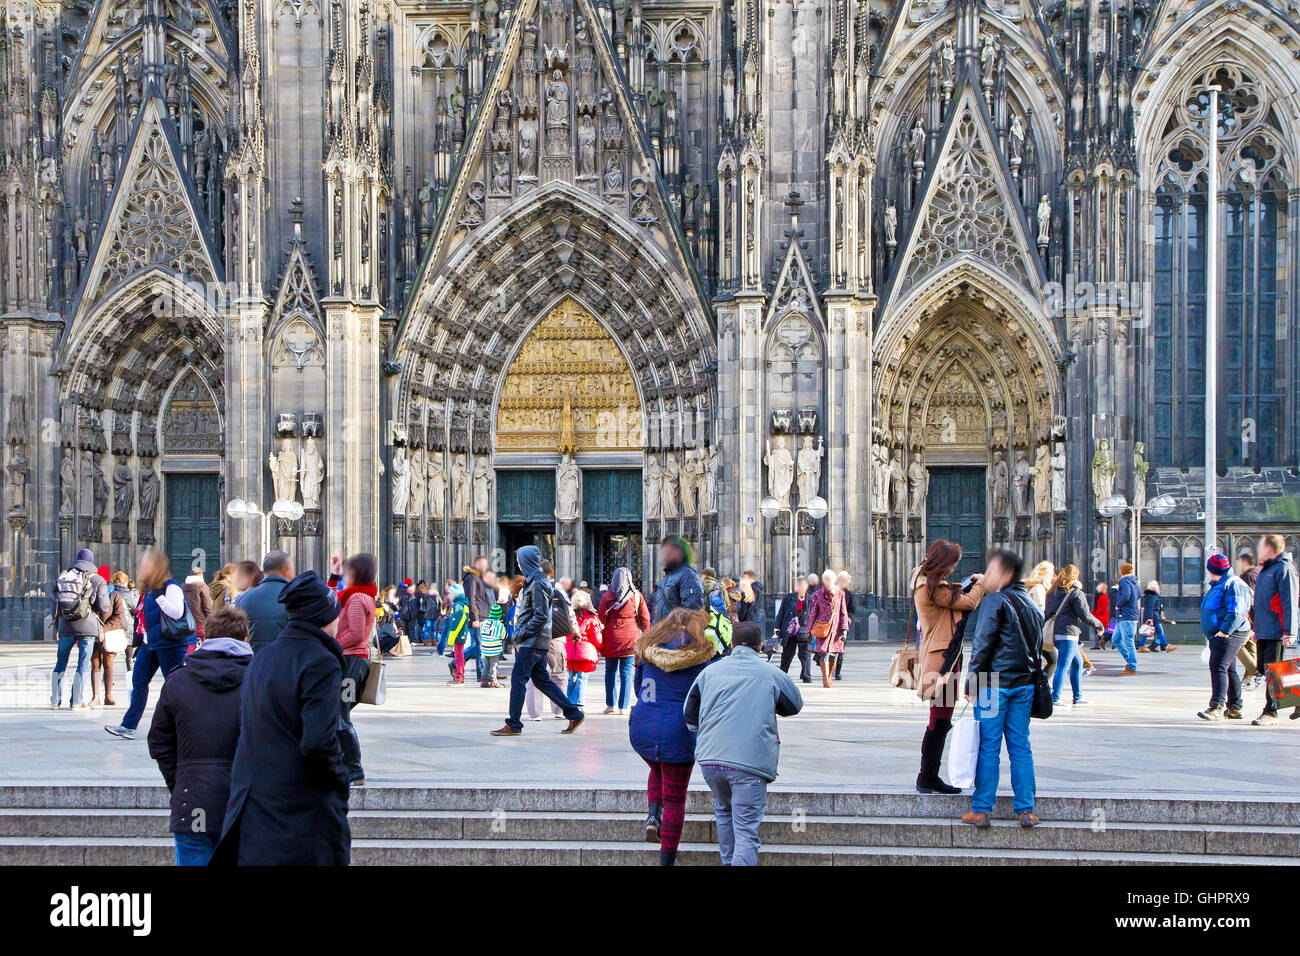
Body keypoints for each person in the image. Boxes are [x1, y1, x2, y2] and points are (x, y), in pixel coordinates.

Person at [212, 571, 350, 866]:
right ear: (323, 616)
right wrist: (341, 780)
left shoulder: (262, 657)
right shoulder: (320, 662)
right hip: (298, 811)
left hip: (255, 807)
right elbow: (317, 742)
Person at [686, 621, 802, 866]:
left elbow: (689, 712)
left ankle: (728, 861)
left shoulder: (709, 672)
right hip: (749, 764)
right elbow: (794, 705)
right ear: (760, 647)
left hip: (711, 761)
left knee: (725, 813)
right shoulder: (771, 674)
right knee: (746, 829)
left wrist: (705, 738)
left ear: (731, 644)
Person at [146, 605, 252, 865]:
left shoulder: (177, 681)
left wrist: (181, 780)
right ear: (246, 639)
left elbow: (159, 743)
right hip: (246, 805)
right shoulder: (260, 680)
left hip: (193, 800)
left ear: (205, 638)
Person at [961, 549, 1043, 829]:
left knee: (989, 748)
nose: (988, 575)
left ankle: (982, 809)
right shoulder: (1032, 605)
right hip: (1024, 686)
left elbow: (982, 645)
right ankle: (1026, 810)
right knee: (1021, 748)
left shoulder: (995, 600)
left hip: (994, 686)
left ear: (1007, 574)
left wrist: (971, 682)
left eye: (994, 570)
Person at [628, 607, 717, 865]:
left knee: (657, 769)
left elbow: (637, 688)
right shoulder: (701, 656)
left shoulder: (648, 651)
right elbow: (704, 699)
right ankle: (667, 857)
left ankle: (654, 816)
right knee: (676, 799)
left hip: (642, 728)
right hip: (678, 733)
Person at [912, 540, 986, 794]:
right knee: (940, 719)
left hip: (942, 655)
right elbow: (968, 603)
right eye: (953, 562)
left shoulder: (924, 580)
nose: (954, 568)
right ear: (944, 562)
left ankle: (928, 776)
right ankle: (927, 776)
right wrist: (982, 583)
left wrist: (968, 582)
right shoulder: (934, 587)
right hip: (943, 660)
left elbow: (954, 593)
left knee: (940, 718)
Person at [491, 546, 584, 735]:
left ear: (527, 561)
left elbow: (541, 615)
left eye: (520, 560)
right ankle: (573, 713)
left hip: (533, 641)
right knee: (541, 680)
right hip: (534, 640)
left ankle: (514, 724)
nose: (518, 563)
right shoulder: (534, 581)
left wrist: (521, 633)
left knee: (518, 679)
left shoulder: (539, 583)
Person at [106, 550, 195, 739]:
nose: (142, 568)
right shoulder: (147, 590)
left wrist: (159, 598)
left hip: (170, 644)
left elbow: (177, 613)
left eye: (146, 565)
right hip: (150, 643)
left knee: (174, 686)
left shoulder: (171, 587)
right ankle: (128, 725)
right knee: (139, 682)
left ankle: (187, 723)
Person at [328, 552, 376, 785]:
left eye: (347, 571)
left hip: (352, 662)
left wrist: (330, 644)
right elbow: (328, 601)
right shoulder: (354, 595)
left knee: (339, 715)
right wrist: (333, 575)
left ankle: (354, 769)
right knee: (337, 712)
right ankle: (342, 764)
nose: (344, 575)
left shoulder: (357, 599)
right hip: (351, 661)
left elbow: (355, 634)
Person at [50, 547, 110, 710]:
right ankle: (76, 702)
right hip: (87, 627)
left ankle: (55, 701)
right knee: (82, 665)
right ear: (90, 561)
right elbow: (104, 606)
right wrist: (101, 624)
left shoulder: (62, 577)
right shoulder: (97, 579)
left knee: (60, 663)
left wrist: (57, 626)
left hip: (65, 626)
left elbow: (54, 606)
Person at [1197, 553, 1253, 721]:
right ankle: (1235, 707)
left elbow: (1236, 612)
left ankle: (1216, 706)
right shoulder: (1221, 583)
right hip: (1222, 632)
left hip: (1230, 633)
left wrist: (1224, 631)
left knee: (1218, 666)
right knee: (1228, 668)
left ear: (1212, 570)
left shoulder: (1233, 584)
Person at [1250, 533, 1297, 726]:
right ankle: (1297, 699)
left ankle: (1271, 711)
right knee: (1265, 668)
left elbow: (1290, 601)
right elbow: (1261, 603)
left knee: (1273, 671)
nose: (1258, 551)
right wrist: (1256, 628)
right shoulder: (1266, 571)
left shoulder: (1284, 569)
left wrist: (1290, 630)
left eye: (1261, 547)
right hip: (1264, 629)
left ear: (1271, 549)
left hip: (1277, 629)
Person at [1044, 564, 1102, 707]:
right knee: (1063, 665)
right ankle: (1055, 698)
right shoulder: (1076, 592)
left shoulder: (1053, 591)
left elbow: (1048, 612)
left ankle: (1078, 697)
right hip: (1068, 634)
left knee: (1078, 663)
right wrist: (1099, 625)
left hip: (1055, 632)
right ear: (1076, 576)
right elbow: (1085, 615)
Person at [597, 566, 649, 715]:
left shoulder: (607, 596)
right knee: (626, 673)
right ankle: (623, 706)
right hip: (630, 638)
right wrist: (646, 634)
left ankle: (610, 704)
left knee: (610, 672)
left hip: (611, 637)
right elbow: (645, 617)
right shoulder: (636, 595)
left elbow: (601, 617)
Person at [232, 551, 294, 652]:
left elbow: (237, 637)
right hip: (289, 662)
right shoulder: (297, 596)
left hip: (255, 662)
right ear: (286, 570)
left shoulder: (243, 599)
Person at [91, 568, 132, 707]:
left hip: (109, 634)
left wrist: (104, 628)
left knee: (108, 665)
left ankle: (108, 695)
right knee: (95, 665)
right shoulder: (91, 593)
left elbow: (118, 616)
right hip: (94, 634)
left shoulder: (115, 595)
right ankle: (95, 696)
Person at [650, 535, 705, 623]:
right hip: (663, 633)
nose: (666, 552)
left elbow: (693, 611)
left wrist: (679, 631)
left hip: (676, 633)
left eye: (671, 549)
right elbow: (658, 610)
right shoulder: (667, 578)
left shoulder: (688, 575)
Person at [808, 568, 849, 687]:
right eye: (826, 580)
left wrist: (844, 629)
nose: (828, 582)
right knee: (823, 653)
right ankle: (825, 679)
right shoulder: (817, 594)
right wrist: (810, 630)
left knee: (834, 655)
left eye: (830, 579)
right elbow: (813, 613)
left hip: (836, 629)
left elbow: (843, 613)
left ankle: (830, 675)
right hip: (823, 629)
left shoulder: (840, 594)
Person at [565, 589, 603, 707]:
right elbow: (597, 638)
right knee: (582, 677)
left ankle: (568, 701)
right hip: (586, 652)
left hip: (570, 651)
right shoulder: (592, 618)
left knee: (571, 677)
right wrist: (599, 647)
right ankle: (578, 702)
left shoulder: (569, 616)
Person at [775, 575, 814, 682]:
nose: (801, 588)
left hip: (804, 630)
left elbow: (814, 614)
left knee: (805, 653)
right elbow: (781, 613)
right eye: (799, 586)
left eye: (803, 586)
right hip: (790, 630)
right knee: (788, 653)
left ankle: (806, 675)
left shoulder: (811, 599)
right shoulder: (788, 598)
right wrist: (777, 627)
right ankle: (782, 674)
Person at [1023, 561, 1057, 675]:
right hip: (1037, 630)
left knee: (1041, 661)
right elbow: (1040, 611)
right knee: (1052, 661)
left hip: (1030, 629)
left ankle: (1038, 687)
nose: (1053, 576)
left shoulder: (1032, 586)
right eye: (1051, 573)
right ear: (1042, 573)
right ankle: (1040, 688)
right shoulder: (1039, 588)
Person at [1235, 551, 1261, 686]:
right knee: (1251, 646)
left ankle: (1257, 673)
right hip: (1256, 618)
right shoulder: (1259, 574)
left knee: (1237, 646)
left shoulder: (1248, 576)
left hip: (1248, 618)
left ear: (1245, 562)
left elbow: (1249, 600)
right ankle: (1248, 679)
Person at [1110, 562, 1140, 674]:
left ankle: (1132, 666)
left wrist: (1118, 604)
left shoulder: (1124, 581)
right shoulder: (1134, 582)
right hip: (1126, 616)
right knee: (1115, 639)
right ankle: (1130, 661)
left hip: (1126, 616)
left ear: (1122, 571)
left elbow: (1126, 595)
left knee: (1128, 641)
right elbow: (1138, 595)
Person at [112, 570, 141, 676]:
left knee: (112, 652)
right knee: (129, 651)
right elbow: (136, 608)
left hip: (115, 625)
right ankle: (131, 672)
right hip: (128, 625)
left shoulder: (111, 592)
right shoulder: (129, 594)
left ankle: (107, 673)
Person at [444, 584, 471, 684]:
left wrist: (452, 636)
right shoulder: (463, 604)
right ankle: (459, 676)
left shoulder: (458, 605)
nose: (449, 596)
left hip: (458, 634)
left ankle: (459, 677)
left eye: (450, 594)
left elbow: (457, 622)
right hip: (461, 633)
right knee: (459, 655)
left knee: (458, 656)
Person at [1138, 580, 1175, 653]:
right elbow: (1150, 607)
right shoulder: (1153, 595)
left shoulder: (1150, 595)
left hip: (1151, 615)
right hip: (1154, 616)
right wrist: (1150, 618)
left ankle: (1141, 646)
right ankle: (1166, 645)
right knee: (1159, 631)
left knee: (1146, 631)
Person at [478, 601, 506, 688]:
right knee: (494, 666)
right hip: (494, 649)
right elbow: (504, 635)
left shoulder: (483, 623)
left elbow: (481, 633)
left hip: (485, 648)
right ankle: (494, 681)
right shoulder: (499, 625)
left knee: (486, 665)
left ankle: (484, 681)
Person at [182, 568, 214, 642]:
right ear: (201, 576)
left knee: (189, 647)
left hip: (186, 624)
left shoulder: (182, 587)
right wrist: (212, 620)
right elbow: (207, 607)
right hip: (200, 623)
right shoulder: (202, 586)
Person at [833, 571, 853, 680]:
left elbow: (851, 608)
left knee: (841, 649)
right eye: (847, 581)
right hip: (830, 625)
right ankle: (828, 669)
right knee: (828, 650)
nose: (848, 583)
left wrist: (849, 617)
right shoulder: (831, 591)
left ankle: (837, 672)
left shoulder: (848, 594)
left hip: (842, 625)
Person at [1091, 582, 1110, 649]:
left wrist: (1096, 613)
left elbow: (1102, 608)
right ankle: (1101, 642)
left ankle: (1099, 643)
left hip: (1101, 616)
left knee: (1099, 630)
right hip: (1098, 615)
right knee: (1098, 630)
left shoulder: (1103, 596)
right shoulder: (1098, 595)